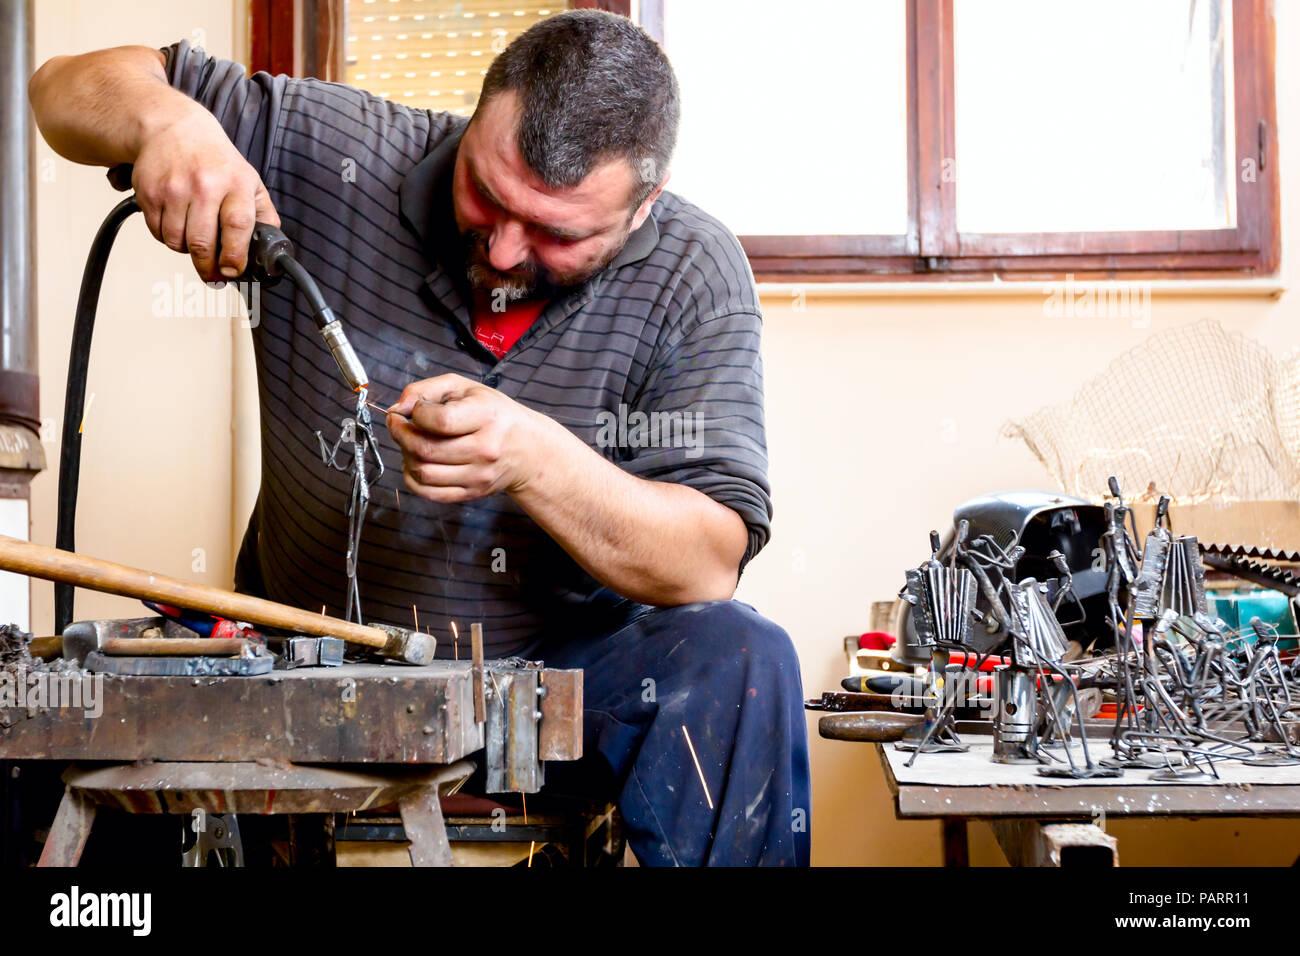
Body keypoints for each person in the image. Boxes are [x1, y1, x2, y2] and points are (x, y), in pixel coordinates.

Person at [30, 9, 809, 866]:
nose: (508, 251)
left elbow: (705, 561)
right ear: (475, 119)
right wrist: (167, 120)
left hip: (562, 689)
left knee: (745, 658)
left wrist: (535, 459)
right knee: (89, 733)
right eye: (488, 194)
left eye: (557, 233)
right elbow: (58, 89)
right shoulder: (330, 150)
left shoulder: (694, 272)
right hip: (303, 662)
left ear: (641, 207)